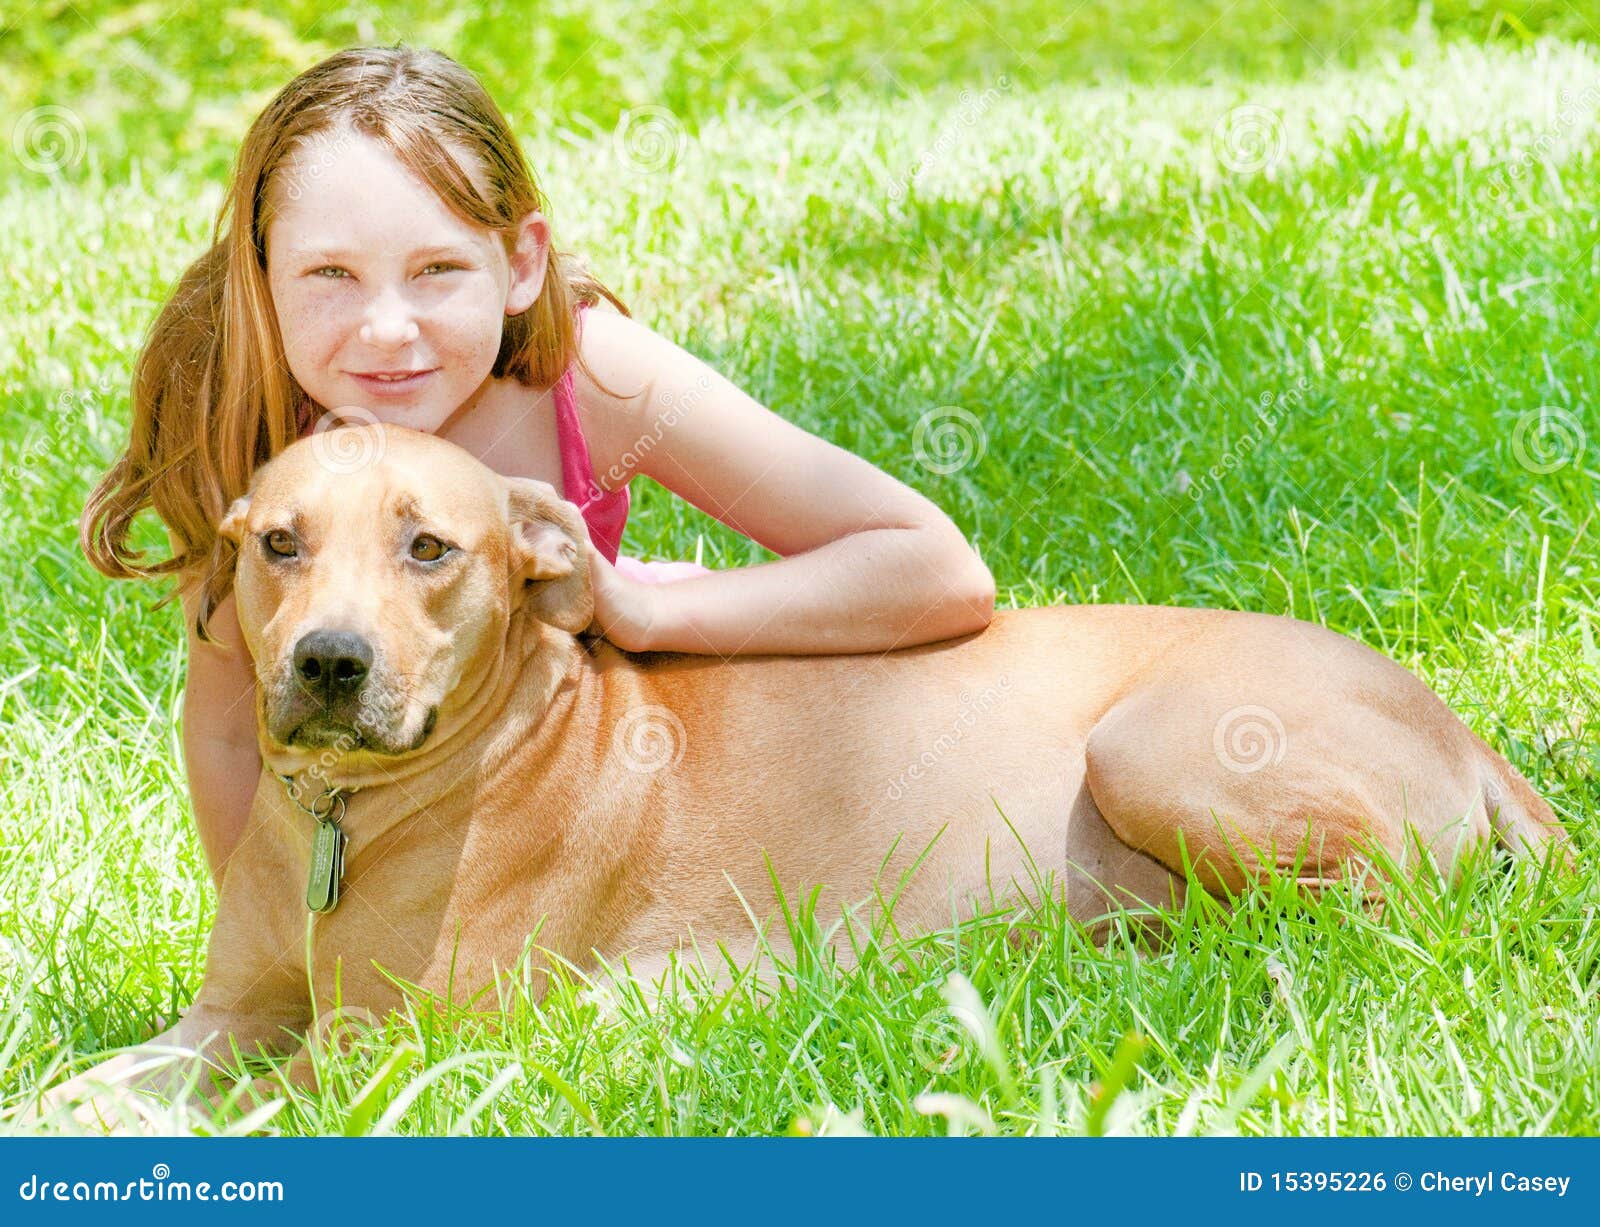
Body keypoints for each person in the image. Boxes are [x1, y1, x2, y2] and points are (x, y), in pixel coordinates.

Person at [79, 45, 996, 888]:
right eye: (331, 275)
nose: (389, 328)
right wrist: (266, 944)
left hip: (584, 821)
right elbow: (231, 721)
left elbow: (932, 565)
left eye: (437, 268)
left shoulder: (595, 378)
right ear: (261, 272)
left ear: (520, 263)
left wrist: (649, 611)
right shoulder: (242, 405)